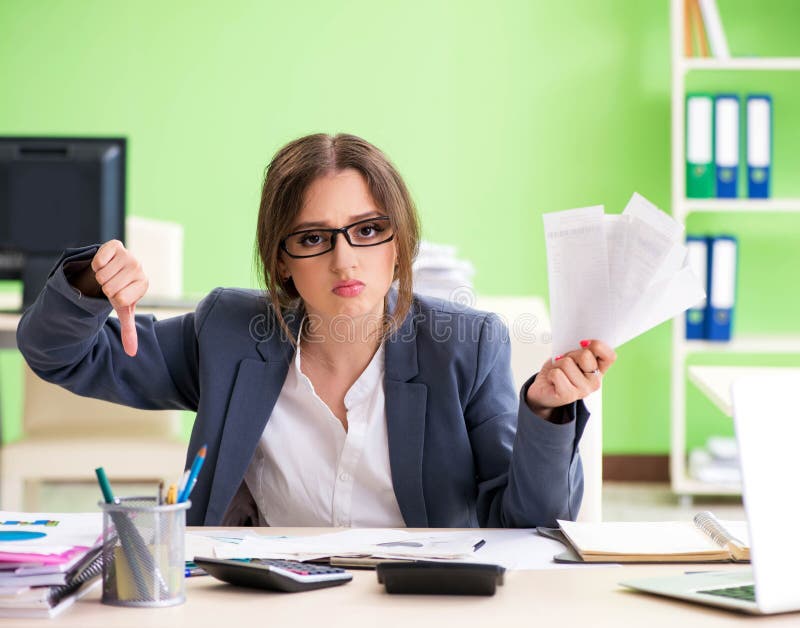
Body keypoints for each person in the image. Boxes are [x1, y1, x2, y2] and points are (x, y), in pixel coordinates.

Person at [16, 133, 616, 527]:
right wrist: (89, 282)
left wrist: (545, 410)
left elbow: (533, 526)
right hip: (265, 603)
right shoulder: (230, 333)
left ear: (399, 241)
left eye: (367, 229)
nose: (344, 260)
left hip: (414, 604)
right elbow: (60, 356)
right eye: (312, 238)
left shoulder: (466, 344)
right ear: (281, 260)